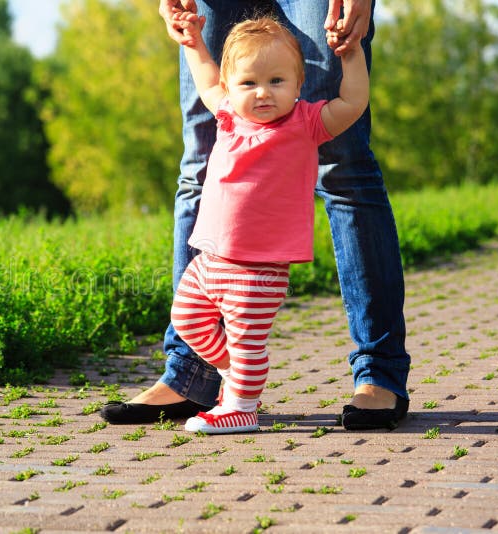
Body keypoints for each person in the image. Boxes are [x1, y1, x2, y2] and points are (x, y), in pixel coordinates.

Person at [101, 0, 411, 431]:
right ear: (233, 87)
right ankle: (197, 377)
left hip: (260, 268)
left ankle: (370, 375)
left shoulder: (305, 121)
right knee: (198, 164)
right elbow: (210, 79)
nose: (262, 92)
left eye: (277, 82)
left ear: (299, 83)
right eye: (249, 84)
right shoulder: (228, 110)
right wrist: (192, 41)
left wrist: (352, 54)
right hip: (213, 260)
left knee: (345, 167)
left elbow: (351, 102)